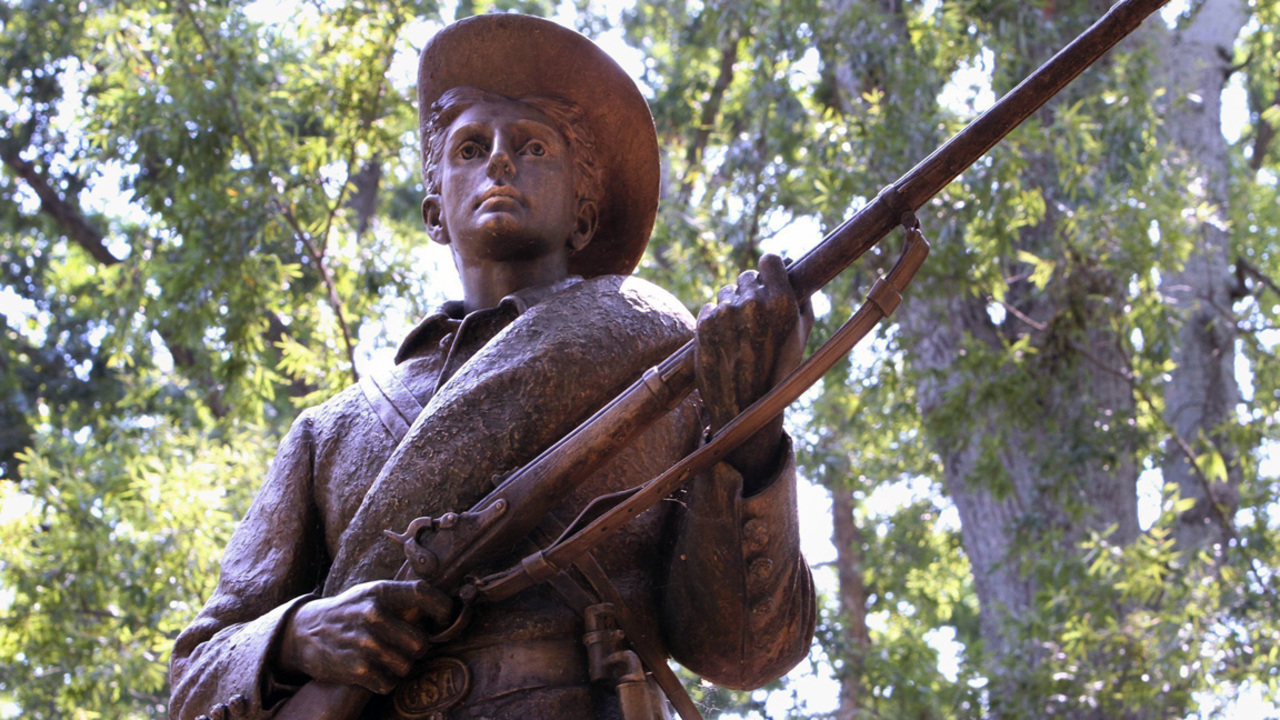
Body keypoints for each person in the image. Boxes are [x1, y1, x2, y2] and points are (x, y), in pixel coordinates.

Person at [170, 14, 815, 720]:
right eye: (471, 148)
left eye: (533, 147)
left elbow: (747, 653)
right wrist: (297, 635)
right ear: (434, 210)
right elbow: (197, 671)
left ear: (585, 213)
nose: (500, 162)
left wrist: (749, 433)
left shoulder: (656, 348)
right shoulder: (330, 432)